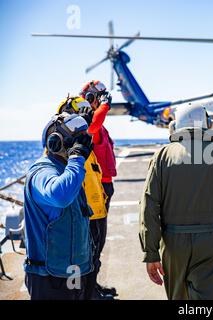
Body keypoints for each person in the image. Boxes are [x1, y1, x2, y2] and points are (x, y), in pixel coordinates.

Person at [139, 104, 213, 300]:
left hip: (173, 243)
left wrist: (150, 253)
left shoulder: (162, 156)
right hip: (211, 240)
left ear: (175, 126)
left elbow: (149, 207)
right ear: (207, 125)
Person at [23, 113, 94, 300]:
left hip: (72, 270)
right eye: (77, 142)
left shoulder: (67, 169)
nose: (82, 147)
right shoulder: (42, 172)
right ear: (56, 142)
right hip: (49, 278)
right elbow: (61, 196)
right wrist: (77, 159)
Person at [56, 96, 114, 299]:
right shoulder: (69, 144)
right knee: (84, 260)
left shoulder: (84, 140)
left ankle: (92, 291)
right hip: (85, 211)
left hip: (97, 207)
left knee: (94, 256)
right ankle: (87, 294)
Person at [80, 81, 117, 297]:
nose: (101, 100)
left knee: (98, 240)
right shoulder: (87, 123)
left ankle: (92, 286)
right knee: (94, 240)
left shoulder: (99, 123)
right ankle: (89, 291)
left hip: (103, 187)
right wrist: (104, 106)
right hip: (95, 190)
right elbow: (91, 126)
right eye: (97, 97)